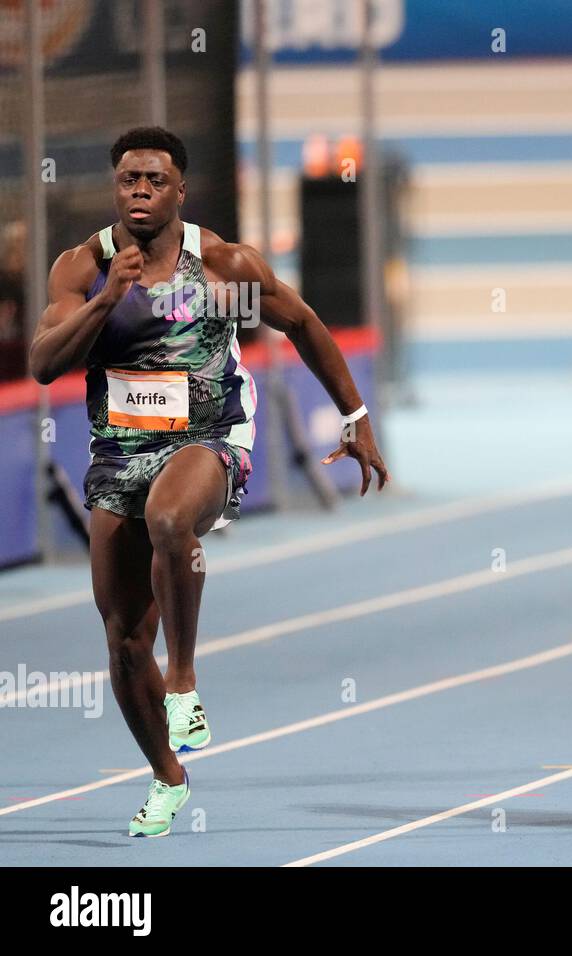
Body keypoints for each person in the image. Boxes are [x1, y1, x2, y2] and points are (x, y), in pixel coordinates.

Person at [28, 127, 391, 836]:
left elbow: (305, 323)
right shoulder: (83, 268)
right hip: (118, 450)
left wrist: (355, 414)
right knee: (126, 641)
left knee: (170, 519)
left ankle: (185, 682)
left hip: (209, 441)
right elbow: (43, 364)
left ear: (179, 191)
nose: (140, 190)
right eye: (128, 178)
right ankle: (169, 776)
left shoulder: (223, 267)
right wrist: (108, 301)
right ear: (116, 187)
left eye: (154, 180)